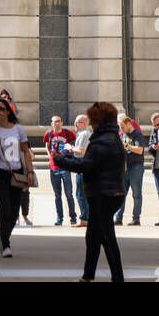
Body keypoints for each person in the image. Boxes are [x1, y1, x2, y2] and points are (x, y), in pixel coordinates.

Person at [54, 101, 126, 283]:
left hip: (103, 194)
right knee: (93, 237)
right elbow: (91, 161)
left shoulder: (103, 140)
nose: (91, 122)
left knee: (107, 237)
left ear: (97, 119)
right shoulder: (111, 138)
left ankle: (117, 277)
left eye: (92, 118)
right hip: (110, 192)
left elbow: (87, 165)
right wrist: (69, 158)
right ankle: (88, 276)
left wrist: (62, 161)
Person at [0, 97, 35, 257]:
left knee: (13, 213)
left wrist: (30, 171)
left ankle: (4, 236)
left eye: (1, 108)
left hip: (16, 173)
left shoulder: (18, 129)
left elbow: (25, 151)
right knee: (5, 209)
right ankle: (6, 245)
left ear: (7, 111)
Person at [43, 115, 78, 226]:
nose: (57, 123)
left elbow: (74, 144)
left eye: (58, 121)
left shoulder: (68, 133)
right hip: (54, 168)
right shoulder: (48, 134)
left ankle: (73, 218)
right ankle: (59, 218)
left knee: (69, 194)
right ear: (51, 124)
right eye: (54, 122)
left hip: (65, 167)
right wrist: (49, 156)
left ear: (61, 122)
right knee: (57, 195)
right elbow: (47, 145)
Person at [114, 115, 146, 226]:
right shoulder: (122, 135)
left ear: (128, 123)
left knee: (136, 194)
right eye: (120, 127)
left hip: (136, 167)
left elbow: (140, 150)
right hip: (124, 168)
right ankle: (118, 218)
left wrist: (126, 145)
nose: (121, 129)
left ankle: (136, 219)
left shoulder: (137, 134)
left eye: (122, 126)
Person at [72, 115, 92, 225]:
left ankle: (85, 219)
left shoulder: (85, 134)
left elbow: (82, 151)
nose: (75, 124)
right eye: (75, 122)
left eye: (77, 122)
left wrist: (70, 148)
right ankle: (86, 218)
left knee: (81, 195)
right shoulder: (81, 134)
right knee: (82, 194)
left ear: (84, 124)